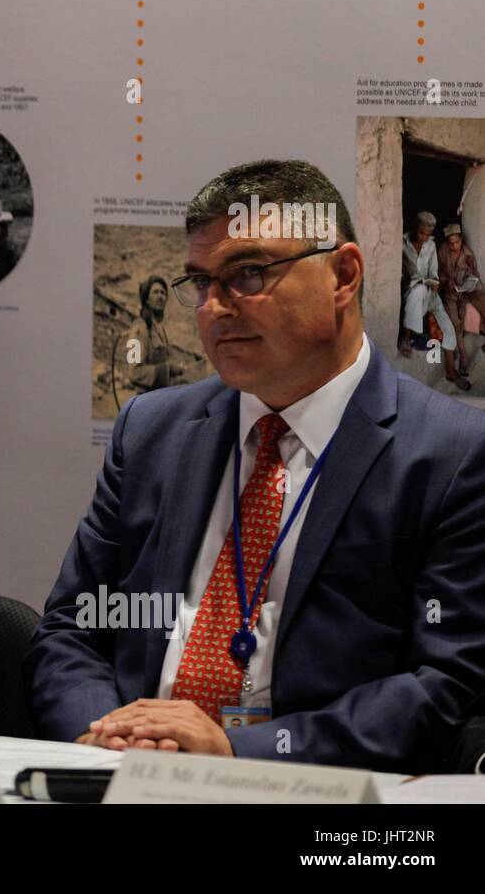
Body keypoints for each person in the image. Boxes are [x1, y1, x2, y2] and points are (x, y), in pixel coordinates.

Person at [24, 159, 485, 773]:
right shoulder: (150, 431)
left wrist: (235, 753)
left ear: (344, 274)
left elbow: (446, 683)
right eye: (200, 281)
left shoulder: (452, 452)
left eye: (246, 275)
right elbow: (68, 631)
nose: (213, 308)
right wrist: (112, 740)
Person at [400, 210, 468, 389]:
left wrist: (435, 283)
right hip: (412, 290)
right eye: (421, 232)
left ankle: (450, 372)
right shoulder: (401, 242)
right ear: (415, 227)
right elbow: (396, 272)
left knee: (449, 331)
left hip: (430, 292)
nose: (423, 237)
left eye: (427, 234)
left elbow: (434, 273)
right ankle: (406, 337)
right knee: (418, 291)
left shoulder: (431, 245)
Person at [122, 274, 185, 393]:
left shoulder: (161, 330)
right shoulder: (138, 329)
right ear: (146, 299)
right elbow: (134, 373)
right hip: (146, 401)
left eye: (163, 293)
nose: (160, 296)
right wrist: (168, 369)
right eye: (155, 292)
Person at [438, 223, 485, 379]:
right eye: (451, 243)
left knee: (482, 303)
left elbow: (475, 274)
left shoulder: (468, 254)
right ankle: (464, 359)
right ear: (446, 242)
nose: (454, 246)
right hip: (451, 292)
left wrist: (472, 282)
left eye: (457, 242)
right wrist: (447, 282)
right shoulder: (442, 253)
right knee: (456, 323)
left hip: (467, 290)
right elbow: (437, 274)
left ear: (461, 240)